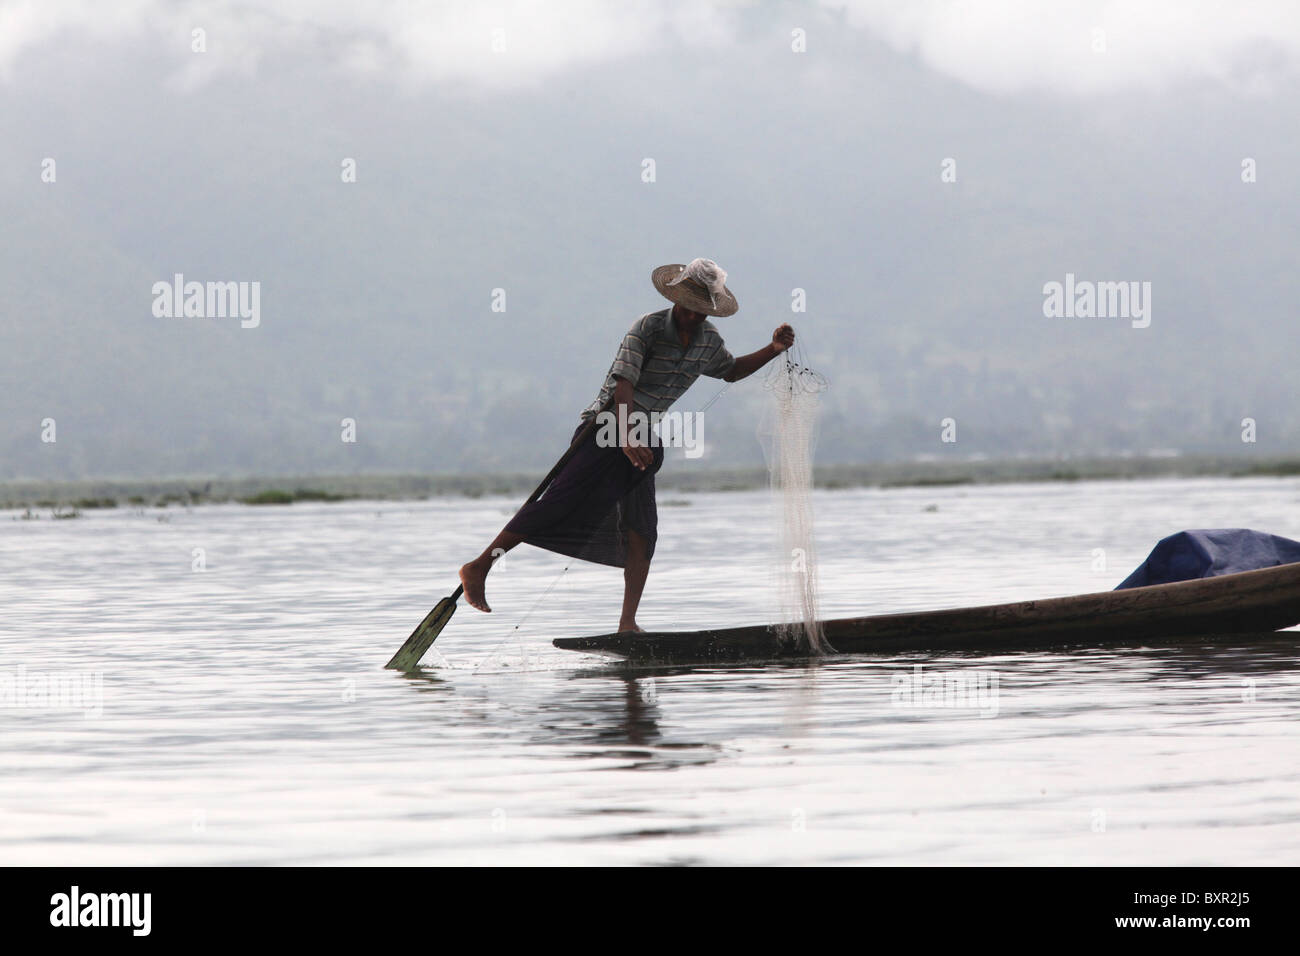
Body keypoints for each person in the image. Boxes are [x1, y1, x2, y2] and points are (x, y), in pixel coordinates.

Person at [458, 258, 795, 632]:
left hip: (645, 435)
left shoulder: (709, 341)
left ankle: (627, 623)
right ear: (677, 299)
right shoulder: (648, 328)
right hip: (606, 426)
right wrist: (626, 435)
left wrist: (773, 348)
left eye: (703, 311)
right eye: (690, 307)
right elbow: (624, 383)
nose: (695, 317)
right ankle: (479, 566)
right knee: (557, 504)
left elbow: (730, 371)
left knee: (642, 530)